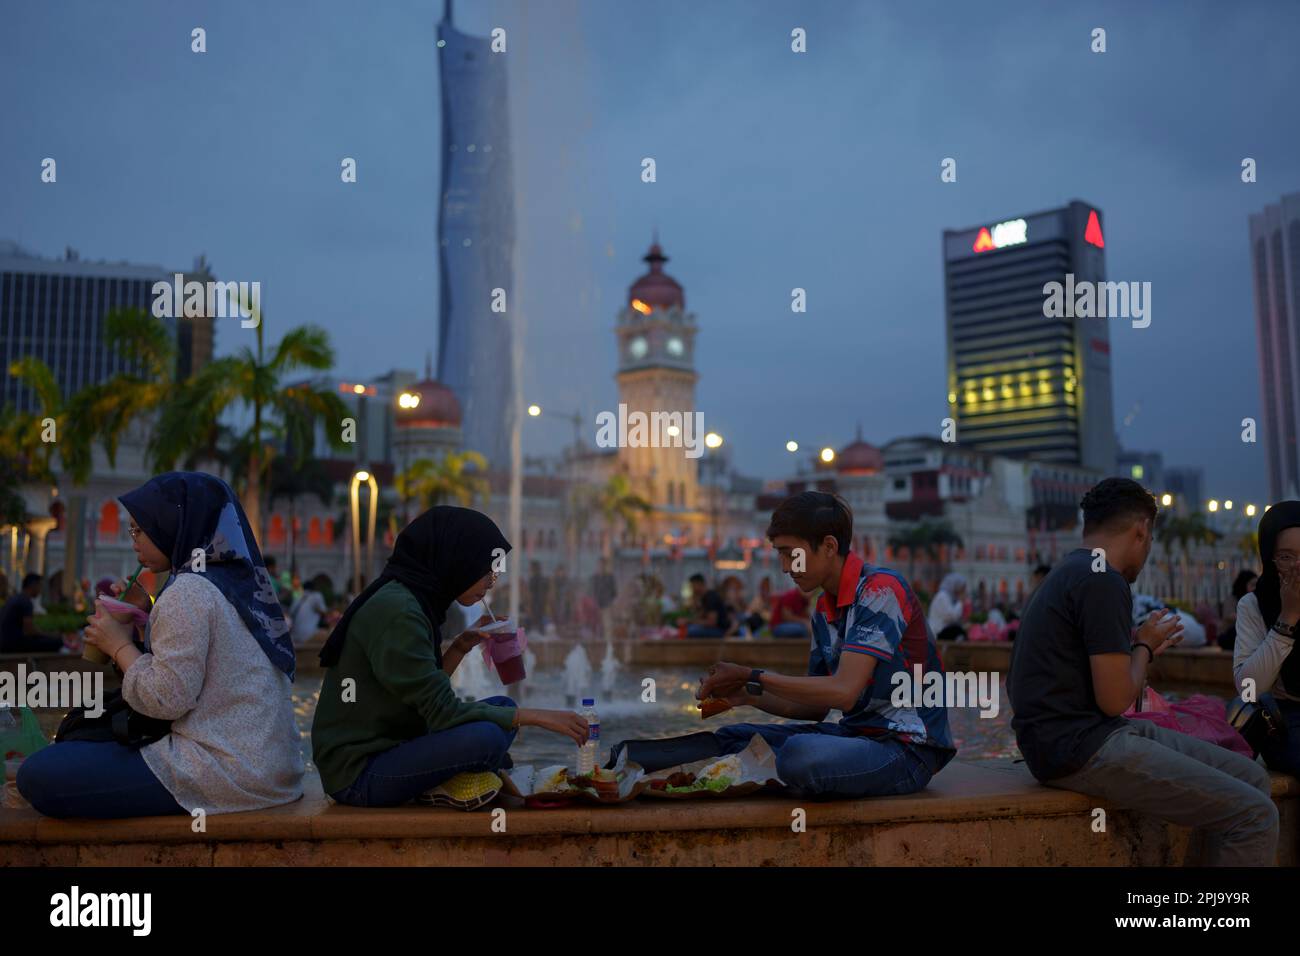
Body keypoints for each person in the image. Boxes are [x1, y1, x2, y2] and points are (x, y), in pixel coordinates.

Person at [1008, 478, 1278, 866]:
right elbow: (1116, 699)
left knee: (1252, 778)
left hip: (1070, 738)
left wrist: (1137, 646)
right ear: (1142, 530)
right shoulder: (1102, 580)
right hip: (1079, 748)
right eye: (1150, 540)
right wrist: (1145, 646)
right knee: (1256, 816)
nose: (1148, 549)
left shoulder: (1072, 569)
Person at [619, 492, 955, 798]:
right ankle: (626, 762)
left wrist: (754, 674)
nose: (784, 567)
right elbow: (812, 707)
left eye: (790, 554)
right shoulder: (825, 610)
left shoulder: (881, 590)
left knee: (799, 753)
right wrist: (746, 693)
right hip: (856, 737)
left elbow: (843, 692)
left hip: (908, 750)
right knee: (737, 737)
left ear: (828, 546)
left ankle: (754, 772)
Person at [17, 472, 304, 819]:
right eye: (131, 530)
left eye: (142, 529)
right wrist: (148, 613)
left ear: (175, 526)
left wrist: (118, 645)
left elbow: (166, 700)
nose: (134, 541)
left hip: (222, 772)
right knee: (77, 744)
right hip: (274, 769)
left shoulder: (187, 592)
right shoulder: (237, 584)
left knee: (39, 774)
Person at [311, 507, 590, 810]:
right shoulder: (399, 612)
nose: (493, 580)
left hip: (395, 744)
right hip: (359, 774)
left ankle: (447, 780)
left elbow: (424, 699)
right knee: (487, 739)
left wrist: (460, 646)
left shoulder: (415, 600)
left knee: (503, 708)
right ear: (457, 561)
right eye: (488, 569)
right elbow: (443, 712)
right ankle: (442, 782)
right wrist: (539, 717)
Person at [1233, 503, 1300, 777]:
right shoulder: (1255, 604)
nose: (1298, 566)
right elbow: (1248, 690)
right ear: (1269, 558)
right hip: (1286, 719)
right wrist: (1287, 618)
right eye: (1286, 557)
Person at [0, 573, 65, 653]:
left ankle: (31, 665)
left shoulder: (14, 598)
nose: (40, 590)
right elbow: (29, 630)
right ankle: (32, 665)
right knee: (57, 642)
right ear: (33, 585)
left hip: (5, 642)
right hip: (13, 645)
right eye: (39, 586)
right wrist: (50, 635)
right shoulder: (25, 601)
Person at [1218, 570, 1258, 651]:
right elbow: (1229, 616)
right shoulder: (1232, 599)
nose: (1255, 588)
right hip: (1229, 635)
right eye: (1252, 585)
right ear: (1244, 584)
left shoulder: (1255, 600)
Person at [685, 573, 730, 637]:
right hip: (714, 629)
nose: (692, 589)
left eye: (692, 585)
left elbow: (711, 623)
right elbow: (700, 616)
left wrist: (689, 621)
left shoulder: (711, 597)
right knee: (689, 628)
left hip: (719, 630)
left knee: (691, 631)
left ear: (699, 584)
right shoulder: (704, 597)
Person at [928, 573, 968, 641]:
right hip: (938, 631)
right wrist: (960, 601)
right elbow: (952, 616)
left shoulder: (948, 597)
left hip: (942, 629)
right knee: (958, 631)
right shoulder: (942, 596)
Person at [289, 579, 328, 646]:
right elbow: (324, 611)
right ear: (314, 588)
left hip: (295, 635)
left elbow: (291, 613)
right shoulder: (317, 596)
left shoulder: (297, 597)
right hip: (309, 635)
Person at [591, 558, 618, 638]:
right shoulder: (595, 578)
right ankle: (597, 643)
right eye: (599, 565)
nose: (601, 567)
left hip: (607, 605)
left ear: (605, 566)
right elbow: (592, 591)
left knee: (608, 626)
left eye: (603, 565)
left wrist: (610, 601)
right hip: (596, 605)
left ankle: (608, 644)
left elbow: (614, 592)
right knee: (595, 627)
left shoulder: (610, 577)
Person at [527, 560, 550, 630]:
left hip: (536, 602)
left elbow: (530, 593)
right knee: (540, 619)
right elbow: (547, 592)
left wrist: (529, 604)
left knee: (536, 619)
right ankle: (540, 631)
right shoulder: (543, 579)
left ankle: (536, 631)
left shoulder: (533, 579)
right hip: (542, 602)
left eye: (531, 568)